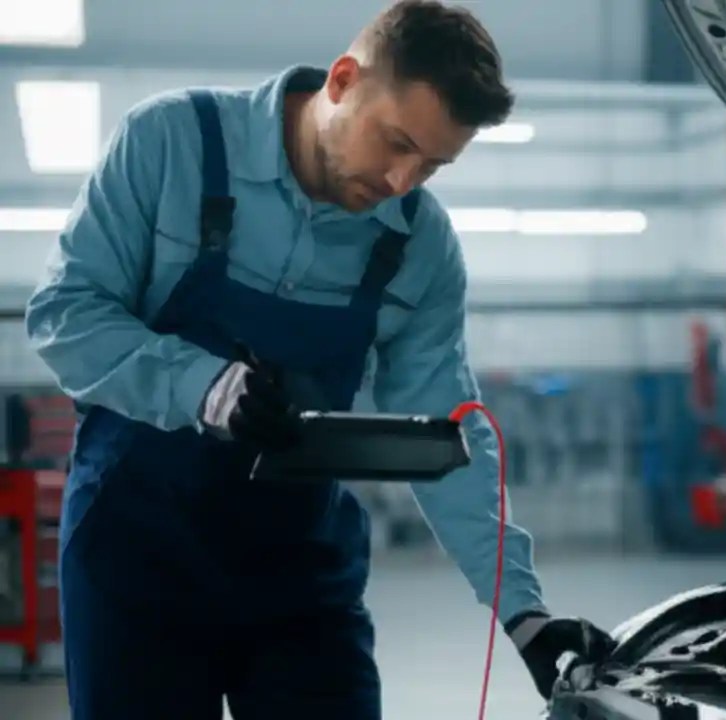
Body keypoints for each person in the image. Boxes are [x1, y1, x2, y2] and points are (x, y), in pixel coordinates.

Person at [24, 2, 614, 717]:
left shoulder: (418, 246)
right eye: (396, 142)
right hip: (137, 558)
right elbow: (65, 314)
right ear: (341, 80)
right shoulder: (171, 142)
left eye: (432, 164)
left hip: (297, 575)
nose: (403, 181)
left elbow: (452, 438)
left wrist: (525, 617)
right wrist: (204, 388)